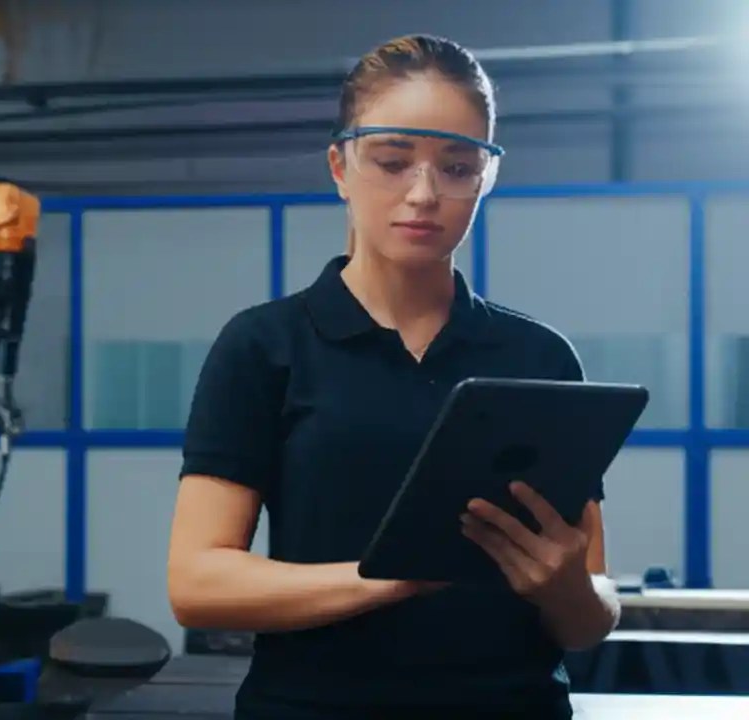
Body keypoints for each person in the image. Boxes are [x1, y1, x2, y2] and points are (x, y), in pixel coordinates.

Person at [167, 34, 621, 720]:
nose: (424, 193)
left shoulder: (540, 358)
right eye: (392, 161)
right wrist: (392, 577)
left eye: (458, 167)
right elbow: (198, 583)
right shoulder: (264, 347)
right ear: (340, 166)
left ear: (486, 177)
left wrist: (567, 589)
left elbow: (590, 613)